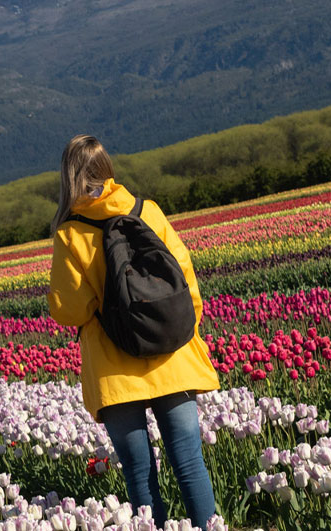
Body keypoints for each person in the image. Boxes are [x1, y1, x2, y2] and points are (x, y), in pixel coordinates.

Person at [47, 134, 220, 527]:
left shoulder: (71, 233)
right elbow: (186, 280)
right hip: (170, 354)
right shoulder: (149, 212)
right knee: (189, 460)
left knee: (139, 472)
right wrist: (178, 329)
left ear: (69, 177)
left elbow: (70, 310)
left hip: (114, 367)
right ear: (107, 168)